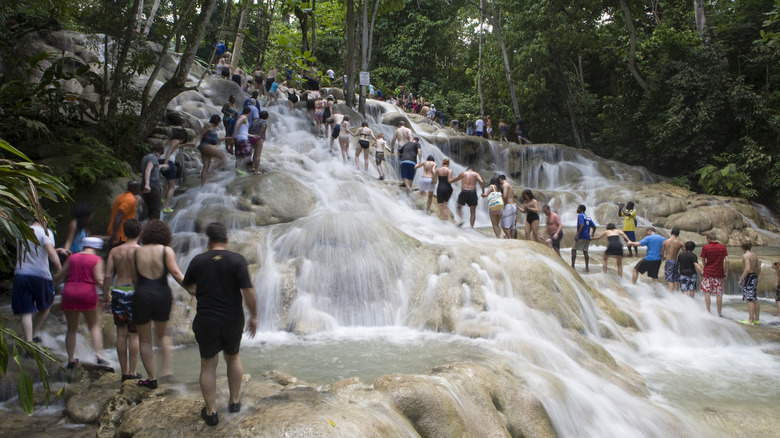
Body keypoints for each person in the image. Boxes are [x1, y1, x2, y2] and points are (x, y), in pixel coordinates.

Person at [181, 222, 258, 426]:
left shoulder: (198, 261)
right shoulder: (237, 260)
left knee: (208, 363)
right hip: (232, 318)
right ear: (226, 239)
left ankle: (211, 412)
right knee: (233, 358)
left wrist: (198, 290)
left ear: (208, 241)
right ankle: (234, 402)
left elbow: (187, 284)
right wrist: (254, 316)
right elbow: (248, 291)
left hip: (206, 319)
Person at [133, 220, 186, 389]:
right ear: (165, 235)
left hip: (141, 294)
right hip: (162, 294)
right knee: (163, 335)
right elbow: (177, 273)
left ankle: (151, 377)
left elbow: (134, 280)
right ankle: (167, 372)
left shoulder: (136, 252)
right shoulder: (166, 251)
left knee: (144, 339)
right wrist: (193, 288)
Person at [56, 236, 106, 368]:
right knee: (94, 325)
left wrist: (51, 282)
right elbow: (99, 280)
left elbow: (60, 275)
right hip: (87, 292)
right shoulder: (97, 259)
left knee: (71, 329)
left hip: (69, 292)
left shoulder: (72, 257)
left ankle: (71, 360)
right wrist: (107, 294)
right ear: (98, 248)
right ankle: (98, 355)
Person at [102, 218, 142, 381]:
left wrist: (105, 295)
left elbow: (107, 275)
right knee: (134, 334)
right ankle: (133, 371)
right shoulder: (140, 251)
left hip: (118, 291)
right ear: (139, 232)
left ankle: (124, 372)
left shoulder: (115, 251)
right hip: (134, 293)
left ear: (124, 233)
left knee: (121, 334)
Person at [12, 218, 62, 343]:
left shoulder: (22, 231)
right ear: (44, 221)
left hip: (21, 274)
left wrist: (58, 250)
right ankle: (34, 334)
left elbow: (35, 251)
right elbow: (49, 251)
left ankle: (29, 343)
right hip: (41, 275)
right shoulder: (45, 232)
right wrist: (61, 270)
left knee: (26, 311)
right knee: (46, 306)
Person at [190, 115, 228, 187]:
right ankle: (212, 170)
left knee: (206, 166)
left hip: (205, 147)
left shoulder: (213, 128)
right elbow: (200, 134)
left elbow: (217, 139)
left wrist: (227, 138)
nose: (220, 123)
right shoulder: (208, 125)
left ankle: (202, 185)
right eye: (219, 122)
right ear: (217, 121)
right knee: (223, 157)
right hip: (206, 145)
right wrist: (195, 141)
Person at [700, 232, 729, 316]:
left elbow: (702, 260)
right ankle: (719, 313)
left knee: (707, 292)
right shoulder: (723, 247)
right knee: (719, 293)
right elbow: (727, 260)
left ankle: (708, 312)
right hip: (719, 273)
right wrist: (726, 272)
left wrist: (705, 267)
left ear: (709, 239)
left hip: (708, 273)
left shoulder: (706, 247)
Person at [161, 128, 188, 214]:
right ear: (183, 137)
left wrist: (190, 144)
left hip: (160, 160)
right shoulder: (176, 142)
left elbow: (178, 147)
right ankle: (167, 207)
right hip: (168, 162)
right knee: (172, 187)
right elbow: (169, 152)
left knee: (167, 183)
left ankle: (162, 199)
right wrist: (166, 164)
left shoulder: (171, 141)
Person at [738, 241, 760, 325]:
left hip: (749, 277)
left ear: (743, 247)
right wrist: (756, 276)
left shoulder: (746, 255)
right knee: (755, 298)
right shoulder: (754, 255)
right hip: (754, 276)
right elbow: (758, 267)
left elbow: (747, 268)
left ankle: (750, 320)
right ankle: (757, 319)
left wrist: (741, 278)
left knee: (749, 299)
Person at [141, 143, 165, 220]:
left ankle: (149, 230)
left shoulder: (146, 157)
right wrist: (147, 185)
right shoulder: (154, 158)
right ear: (160, 151)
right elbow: (148, 170)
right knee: (156, 213)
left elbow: (152, 168)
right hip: (152, 186)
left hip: (144, 185)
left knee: (151, 212)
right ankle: (154, 231)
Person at [572, 204, 596, 272]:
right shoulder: (588, 217)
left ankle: (572, 266)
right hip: (587, 237)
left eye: (578, 208)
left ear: (581, 209)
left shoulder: (580, 215)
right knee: (585, 251)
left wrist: (577, 235)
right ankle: (587, 268)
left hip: (581, 236)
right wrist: (591, 235)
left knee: (573, 250)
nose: (577, 209)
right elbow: (594, 227)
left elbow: (582, 225)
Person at [232, 107, 254, 174]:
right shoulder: (243, 117)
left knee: (239, 157)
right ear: (249, 113)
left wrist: (252, 136)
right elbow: (237, 123)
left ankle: (237, 171)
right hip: (243, 140)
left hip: (239, 138)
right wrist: (235, 132)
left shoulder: (241, 117)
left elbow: (243, 131)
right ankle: (240, 169)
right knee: (248, 155)